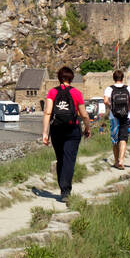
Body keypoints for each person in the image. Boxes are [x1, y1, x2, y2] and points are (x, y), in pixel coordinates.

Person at [41, 66, 92, 202]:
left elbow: (47, 112)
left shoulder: (52, 92)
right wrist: (88, 128)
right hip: (72, 130)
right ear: (71, 78)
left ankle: (62, 189)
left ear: (59, 78)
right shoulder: (76, 93)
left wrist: (45, 133)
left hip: (56, 130)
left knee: (60, 159)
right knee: (69, 159)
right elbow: (84, 114)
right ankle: (66, 192)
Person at [103, 70, 130, 169]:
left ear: (114, 78)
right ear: (122, 78)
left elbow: (105, 101)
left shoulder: (109, 89)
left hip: (114, 117)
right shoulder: (128, 88)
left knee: (115, 140)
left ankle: (116, 161)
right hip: (126, 116)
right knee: (123, 138)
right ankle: (121, 160)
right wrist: (129, 107)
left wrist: (111, 107)